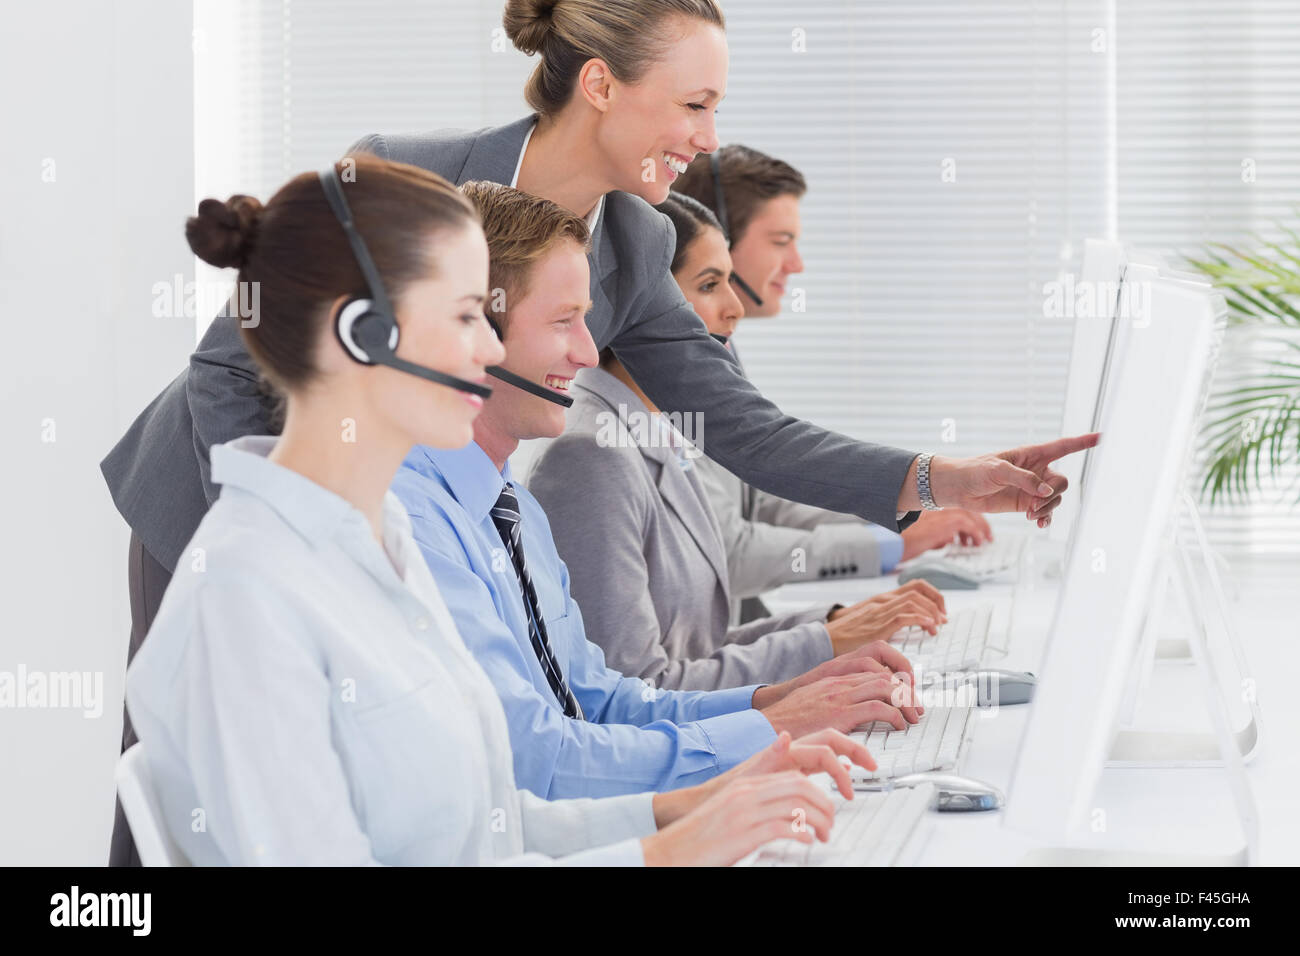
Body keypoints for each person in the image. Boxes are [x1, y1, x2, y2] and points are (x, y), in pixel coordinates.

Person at [100, 0, 1093, 860]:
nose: (709, 137)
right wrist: (296, 538)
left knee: (424, 771)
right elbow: (226, 372)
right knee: (208, 802)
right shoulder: (408, 178)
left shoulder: (635, 243)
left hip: (388, 514)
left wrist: (940, 478)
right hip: (224, 494)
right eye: (694, 104)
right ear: (602, 84)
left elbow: (741, 426)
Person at [127, 155, 880, 866]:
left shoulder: (380, 541)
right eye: (466, 318)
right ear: (363, 336)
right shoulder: (246, 595)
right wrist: (664, 854)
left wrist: (685, 810)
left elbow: (487, 820)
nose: (490, 353)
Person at [392, 180, 922, 801]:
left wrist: (775, 701)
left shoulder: (514, 509)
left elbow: (604, 698)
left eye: (587, 319)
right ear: (469, 332)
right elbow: (540, 762)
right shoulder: (414, 525)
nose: (587, 351)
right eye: (563, 321)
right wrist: (769, 728)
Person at [666, 160, 993, 621]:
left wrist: (895, 520)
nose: (797, 264)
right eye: (781, 241)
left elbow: (760, 497)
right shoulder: (663, 380)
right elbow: (726, 549)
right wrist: (888, 545)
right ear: (722, 239)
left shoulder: (718, 354)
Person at [527, 339, 951, 690]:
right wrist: (822, 644)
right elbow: (638, 692)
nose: (732, 313)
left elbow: (692, 651)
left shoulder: (651, 424)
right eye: (708, 286)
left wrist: (827, 625)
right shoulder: (591, 452)